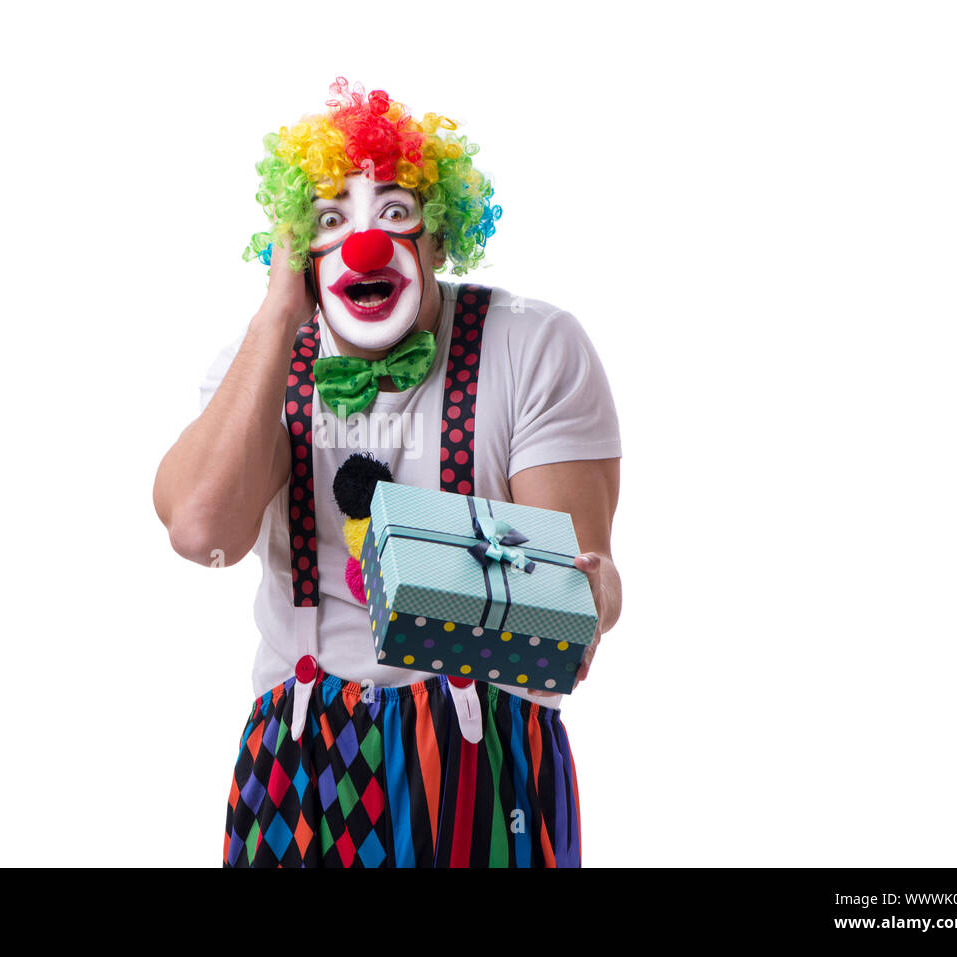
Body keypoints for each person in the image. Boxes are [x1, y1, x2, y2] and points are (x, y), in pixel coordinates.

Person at [153, 78, 623, 867]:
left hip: (486, 750)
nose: (364, 242)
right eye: (331, 220)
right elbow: (201, 530)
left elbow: (583, 583)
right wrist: (276, 316)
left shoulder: (532, 345)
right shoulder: (260, 367)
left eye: (395, 214)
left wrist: (594, 594)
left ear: (438, 238)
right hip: (299, 754)